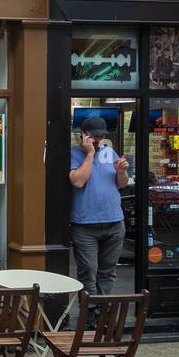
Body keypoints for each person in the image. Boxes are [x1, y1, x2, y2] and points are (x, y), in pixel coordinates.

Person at [69, 115, 129, 298]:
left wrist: (121, 171)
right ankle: (90, 317)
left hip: (114, 222)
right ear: (83, 135)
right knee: (88, 271)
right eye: (94, 136)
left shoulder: (109, 153)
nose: (98, 140)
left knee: (107, 273)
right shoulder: (72, 153)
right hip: (85, 225)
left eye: (101, 136)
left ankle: (103, 314)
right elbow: (78, 181)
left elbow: (122, 184)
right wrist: (89, 154)